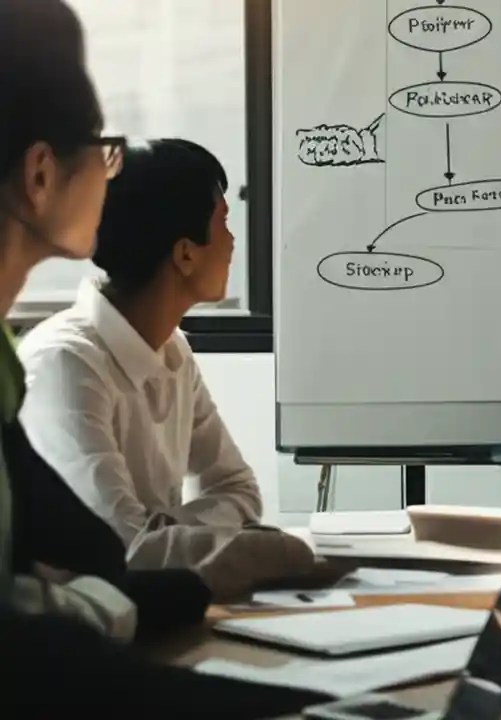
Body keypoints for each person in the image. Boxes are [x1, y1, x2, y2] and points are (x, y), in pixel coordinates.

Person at [0, 0, 328, 714]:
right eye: (104, 142)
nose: (113, 170)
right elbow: (101, 566)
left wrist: (180, 561)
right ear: (39, 174)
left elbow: (93, 559)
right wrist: (216, 564)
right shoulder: (57, 362)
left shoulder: (28, 363)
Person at [16, 138, 316, 600]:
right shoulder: (65, 365)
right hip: (86, 632)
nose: (233, 243)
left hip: (159, 608)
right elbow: (127, 551)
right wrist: (182, 535)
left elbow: (239, 489)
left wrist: (165, 528)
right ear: (185, 254)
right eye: (223, 224)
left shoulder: (171, 349)